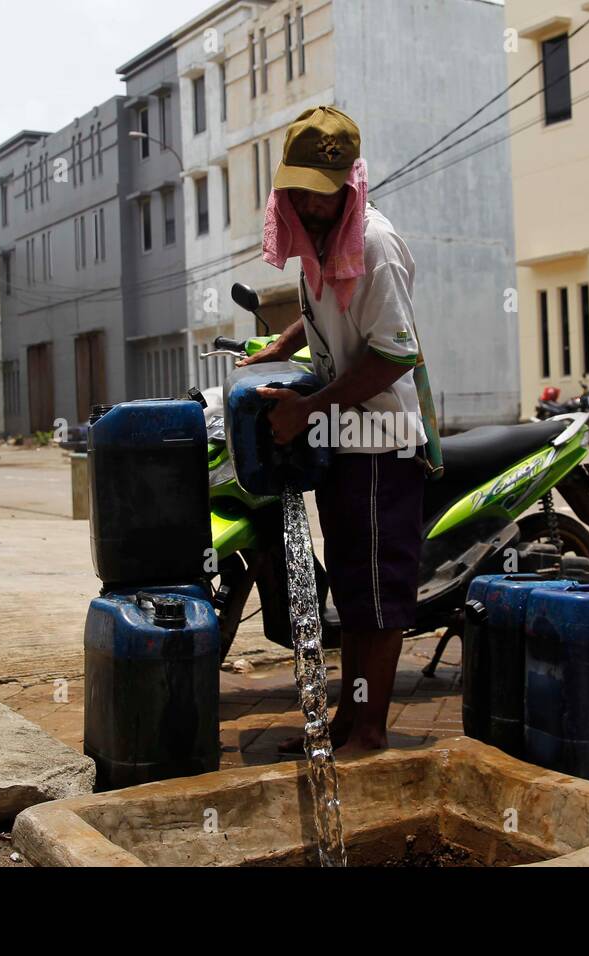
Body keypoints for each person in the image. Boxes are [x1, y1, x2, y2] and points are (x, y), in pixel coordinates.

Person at [238, 105, 426, 754]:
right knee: (352, 590)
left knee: (376, 597)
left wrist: (307, 409)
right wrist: (279, 346)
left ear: (346, 185)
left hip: (381, 445)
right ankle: (347, 721)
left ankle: (369, 731)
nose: (308, 206)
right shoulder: (320, 244)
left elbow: (396, 353)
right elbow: (324, 299)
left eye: (320, 195)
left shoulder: (373, 244)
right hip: (345, 444)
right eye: (297, 191)